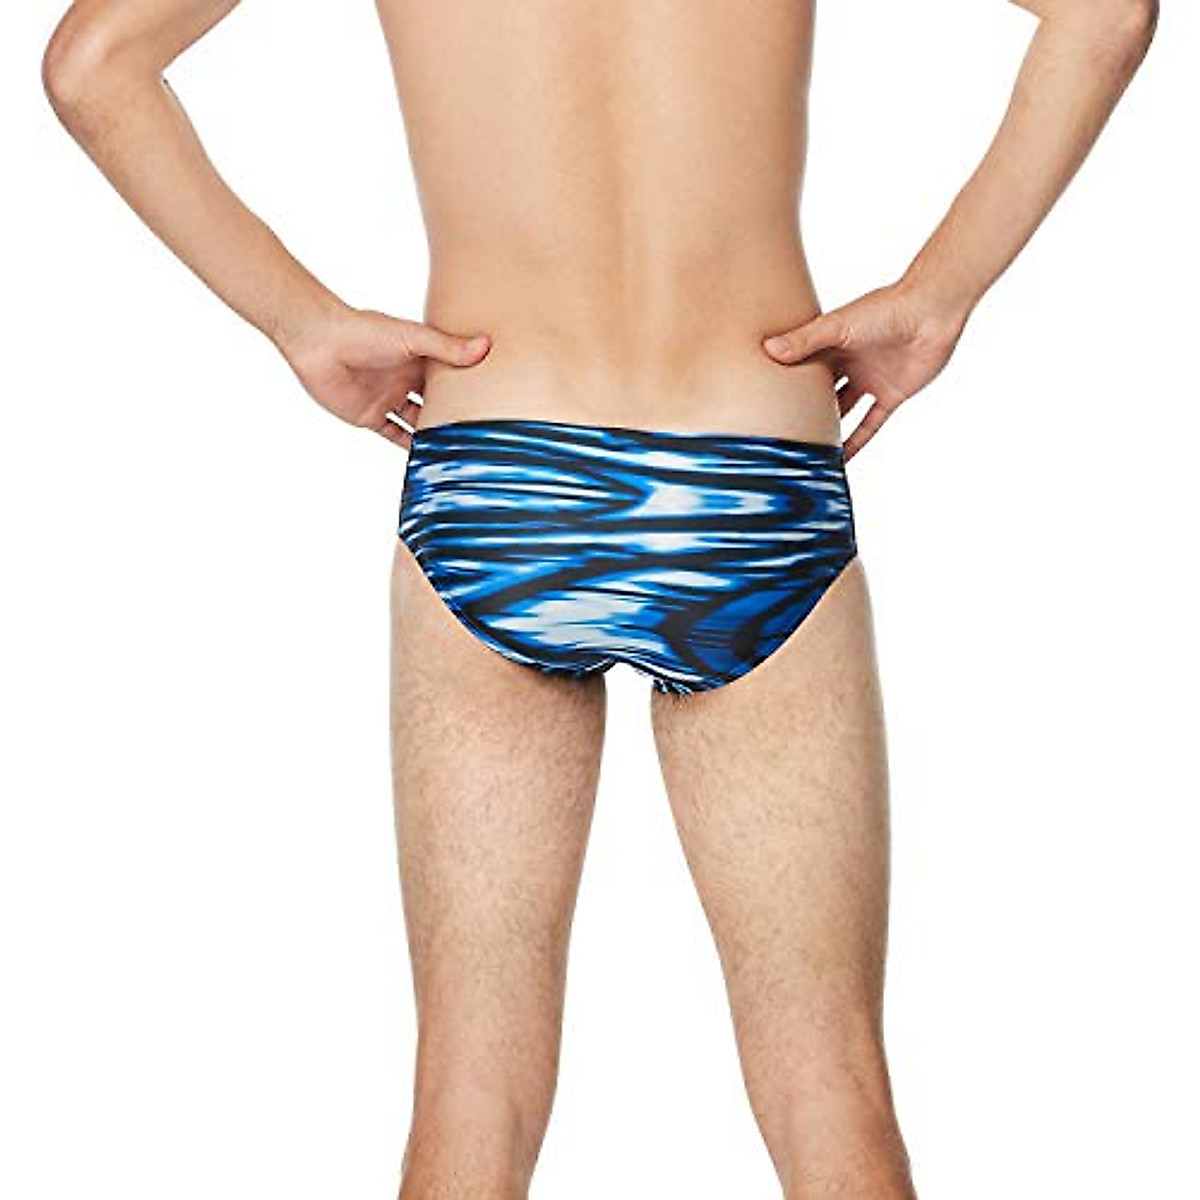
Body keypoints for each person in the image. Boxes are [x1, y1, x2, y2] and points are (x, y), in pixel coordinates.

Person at [42, 1, 1157, 1195]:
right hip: (748, 465)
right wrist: (940, 294)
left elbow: (92, 65)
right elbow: (1107, 11)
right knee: (828, 1082)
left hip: (500, 470)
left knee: (472, 1088)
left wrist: (298, 319)